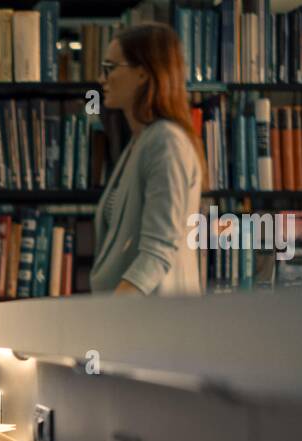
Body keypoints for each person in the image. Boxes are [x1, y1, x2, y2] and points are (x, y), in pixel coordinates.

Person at [92, 23, 206, 296]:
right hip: (133, 321)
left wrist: (109, 317)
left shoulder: (165, 142)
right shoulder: (141, 140)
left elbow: (158, 251)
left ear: (143, 72)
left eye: (110, 67)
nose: (101, 78)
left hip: (149, 323)